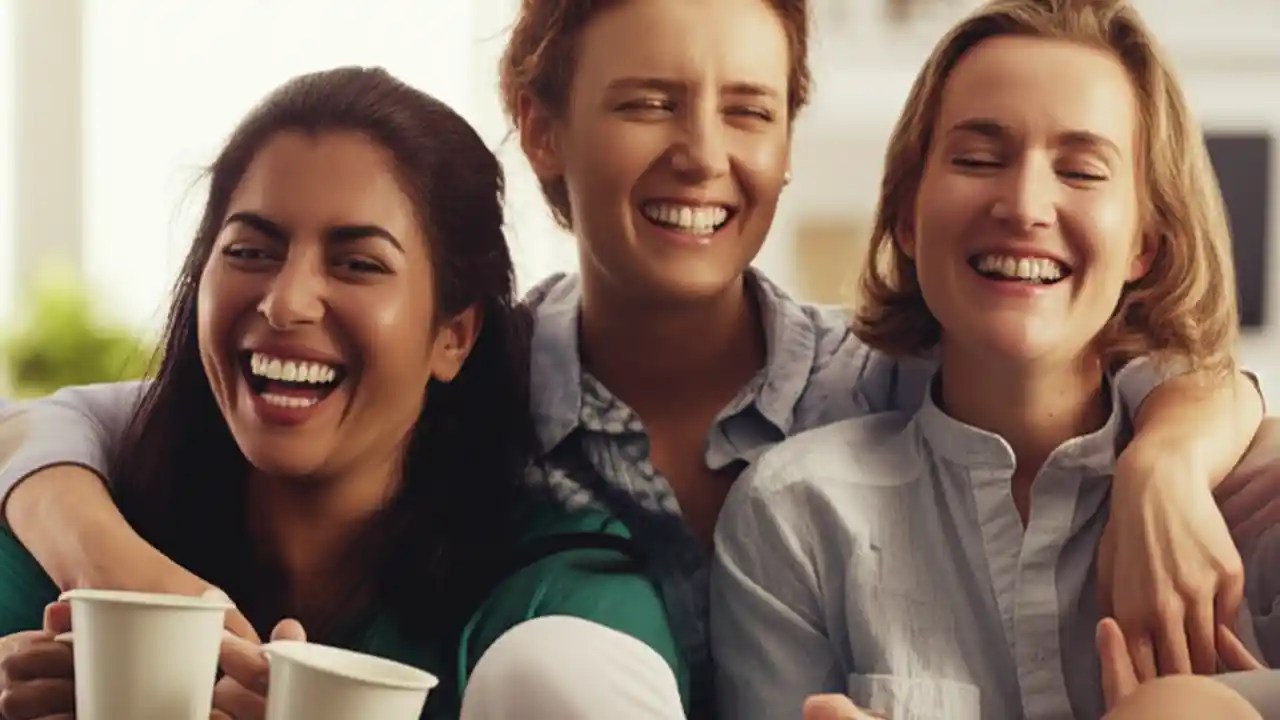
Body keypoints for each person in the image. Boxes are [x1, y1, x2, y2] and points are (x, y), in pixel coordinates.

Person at [0, 0, 1274, 713]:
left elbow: (1134, 376)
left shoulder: (877, 385)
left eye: (748, 112)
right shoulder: (456, 370)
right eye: (646, 103)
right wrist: (112, 563)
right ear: (541, 129)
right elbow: (80, 420)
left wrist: (1170, 454)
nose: (700, 155)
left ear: (788, 149)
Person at [0, 67, 682, 720]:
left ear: (453, 336)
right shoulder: (80, 549)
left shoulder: (559, 607)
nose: (286, 302)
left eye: (358, 264)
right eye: (250, 251)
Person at [710, 0, 1277, 717]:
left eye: (1081, 170)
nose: (1024, 204)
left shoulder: (1254, 510)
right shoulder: (796, 517)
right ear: (907, 216)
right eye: (978, 160)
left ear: (1145, 243)